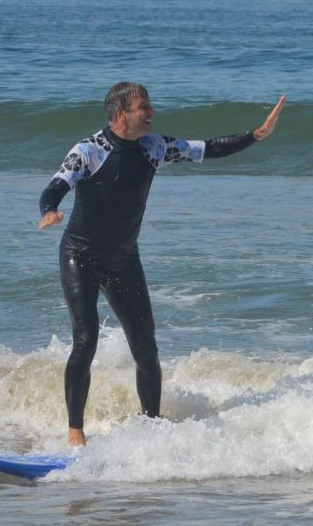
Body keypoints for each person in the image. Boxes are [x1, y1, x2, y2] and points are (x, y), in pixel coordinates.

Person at [38, 82, 285, 446]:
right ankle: (76, 432)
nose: (151, 112)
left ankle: (151, 427)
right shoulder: (89, 151)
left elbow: (209, 148)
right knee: (86, 340)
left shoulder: (154, 148)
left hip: (124, 259)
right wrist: (49, 211)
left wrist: (257, 134)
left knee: (146, 348)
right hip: (82, 256)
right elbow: (56, 186)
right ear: (121, 113)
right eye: (144, 107)